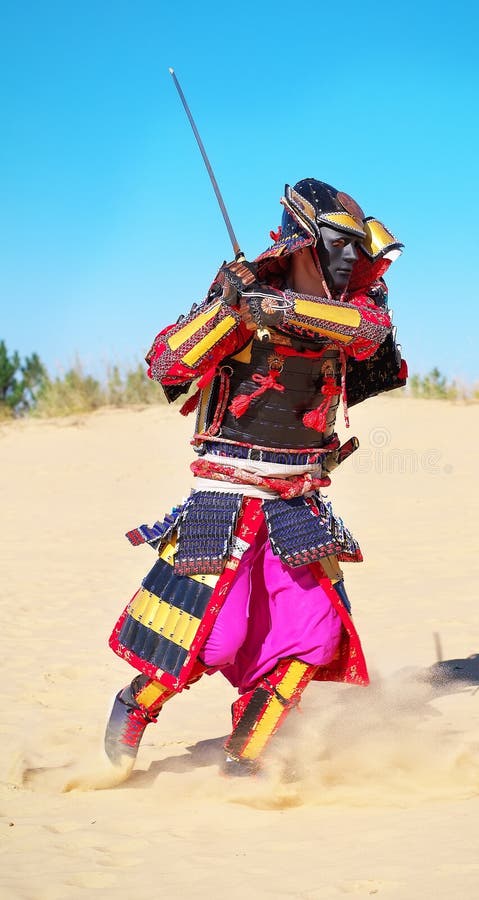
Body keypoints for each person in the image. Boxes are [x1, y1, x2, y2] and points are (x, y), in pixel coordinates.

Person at [104, 177, 405, 778]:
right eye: (337, 243)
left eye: (357, 246)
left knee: (311, 640)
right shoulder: (241, 297)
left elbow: (369, 336)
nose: (351, 258)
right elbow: (167, 363)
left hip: (298, 501)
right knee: (209, 638)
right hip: (227, 495)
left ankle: (244, 760)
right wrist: (231, 310)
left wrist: (282, 308)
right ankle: (136, 704)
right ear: (301, 241)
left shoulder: (358, 313)